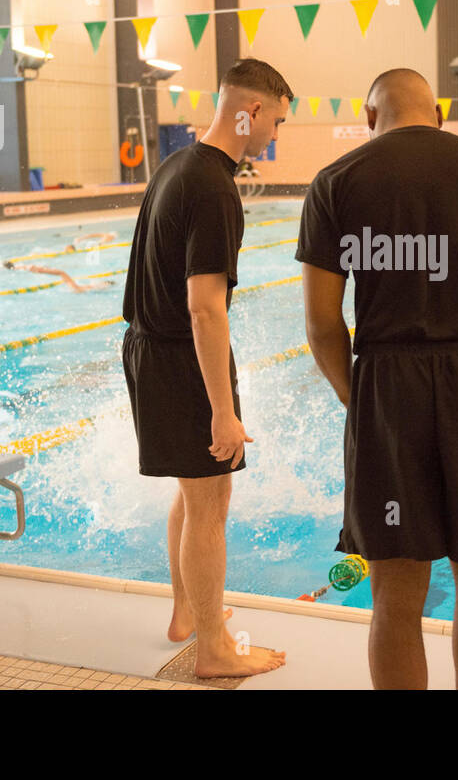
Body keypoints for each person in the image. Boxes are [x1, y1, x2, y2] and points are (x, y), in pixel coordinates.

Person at [297, 68, 458, 690]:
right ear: (438, 112)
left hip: (388, 382)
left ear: (369, 113)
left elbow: (323, 325)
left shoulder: (337, 181)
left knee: (396, 592)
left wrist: (365, 404)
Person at [121, 57, 291, 679]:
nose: (275, 133)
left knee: (193, 495)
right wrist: (222, 409)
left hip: (150, 347)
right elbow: (204, 308)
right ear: (249, 111)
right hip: (180, 359)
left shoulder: (177, 165)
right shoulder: (217, 189)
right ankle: (215, 650)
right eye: (274, 119)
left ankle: (185, 614)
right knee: (212, 499)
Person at [3, 261, 112, 293]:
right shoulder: (88, 288)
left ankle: (19, 267)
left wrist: (41, 270)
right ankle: (19, 267)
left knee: (61, 272)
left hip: (76, 289)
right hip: (76, 289)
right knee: (60, 272)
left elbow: (61, 273)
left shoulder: (83, 289)